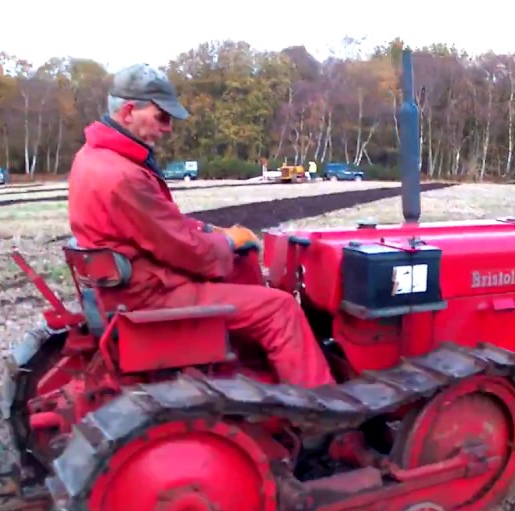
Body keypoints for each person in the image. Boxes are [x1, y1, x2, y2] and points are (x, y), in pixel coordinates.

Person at [67, 64, 335, 388]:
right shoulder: (124, 176)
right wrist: (227, 243)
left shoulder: (93, 157)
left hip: (130, 284)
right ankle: (320, 415)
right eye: (161, 117)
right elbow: (184, 250)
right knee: (280, 308)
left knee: (241, 266)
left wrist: (211, 232)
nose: (167, 128)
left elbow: (161, 224)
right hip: (149, 296)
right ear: (128, 111)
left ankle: (259, 371)